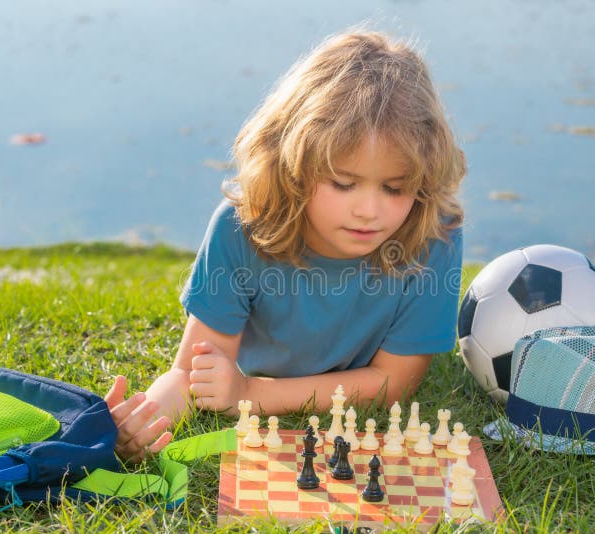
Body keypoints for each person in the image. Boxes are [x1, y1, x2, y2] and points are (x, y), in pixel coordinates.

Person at [105, 29, 466, 463]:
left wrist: (251, 394)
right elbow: (191, 374)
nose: (369, 211)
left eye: (395, 187)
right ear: (292, 163)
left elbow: (393, 382)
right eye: (343, 183)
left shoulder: (433, 234)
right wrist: (144, 420)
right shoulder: (241, 228)